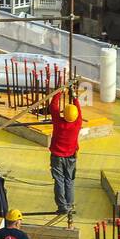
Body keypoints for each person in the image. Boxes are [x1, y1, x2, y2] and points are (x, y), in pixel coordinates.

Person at [48, 87, 82, 216]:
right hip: (71, 156)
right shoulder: (77, 123)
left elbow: (53, 107)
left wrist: (59, 92)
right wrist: (74, 97)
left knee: (59, 180)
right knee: (69, 180)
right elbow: (78, 111)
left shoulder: (58, 122)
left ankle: (62, 206)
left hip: (57, 156)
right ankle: (69, 204)